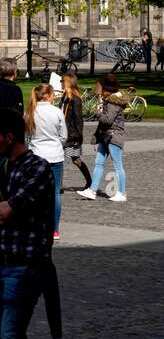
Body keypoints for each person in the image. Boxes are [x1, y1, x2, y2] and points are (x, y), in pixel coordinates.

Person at [0, 106, 57, 339]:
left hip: (25, 267)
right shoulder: (3, 169)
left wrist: (2, 210)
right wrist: (1, 210)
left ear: (10, 137)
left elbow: (5, 212)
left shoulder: (38, 168)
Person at [25, 83, 67, 239]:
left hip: (36, 155)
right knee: (55, 193)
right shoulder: (57, 112)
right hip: (55, 155)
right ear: (49, 95)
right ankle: (54, 228)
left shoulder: (30, 112)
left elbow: (27, 138)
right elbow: (63, 136)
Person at [77, 74, 128, 202]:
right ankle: (92, 190)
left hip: (113, 137)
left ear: (107, 89)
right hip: (106, 137)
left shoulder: (113, 103)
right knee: (99, 163)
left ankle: (122, 193)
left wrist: (98, 112)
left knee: (117, 165)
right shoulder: (110, 101)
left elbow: (107, 120)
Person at [60, 73, 92, 193]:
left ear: (68, 82)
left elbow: (79, 120)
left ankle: (89, 181)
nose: (61, 83)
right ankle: (59, 186)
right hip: (63, 134)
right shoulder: (65, 97)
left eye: (62, 81)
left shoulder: (75, 99)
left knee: (75, 159)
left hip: (71, 135)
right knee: (61, 158)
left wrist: (79, 136)